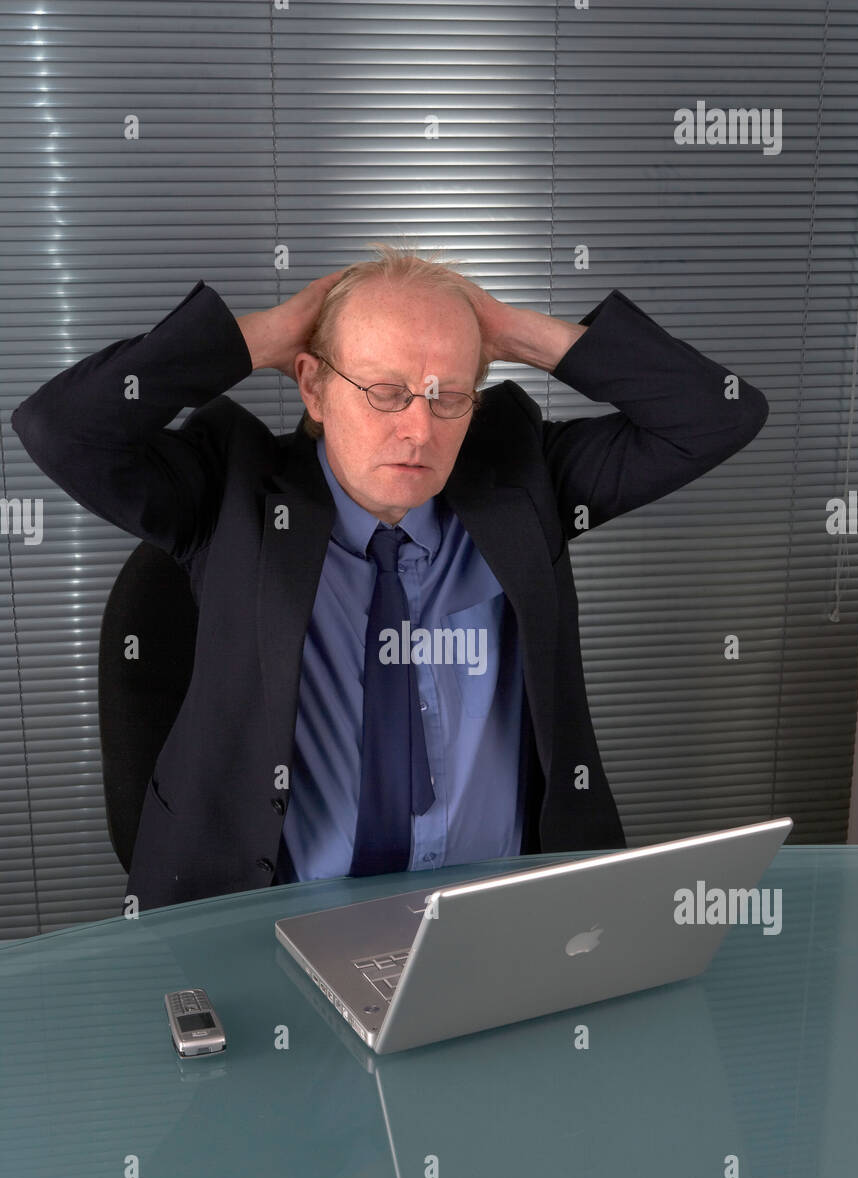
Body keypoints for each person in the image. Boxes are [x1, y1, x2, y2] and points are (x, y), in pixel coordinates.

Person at [11, 243, 769, 911]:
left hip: (499, 917)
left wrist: (511, 333)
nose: (419, 429)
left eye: (449, 395)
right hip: (274, 921)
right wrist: (259, 337)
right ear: (313, 387)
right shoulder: (233, 491)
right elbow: (61, 429)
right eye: (385, 391)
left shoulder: (523, 479)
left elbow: (718, 415)